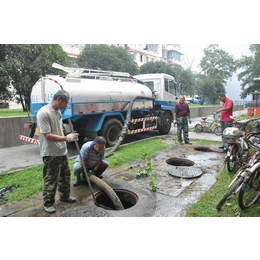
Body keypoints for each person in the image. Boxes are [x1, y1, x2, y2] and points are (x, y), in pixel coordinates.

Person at [37, 90, 79, 213]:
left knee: (65, 176)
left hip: (62, 150)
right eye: (65, 102)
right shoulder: (43, 113)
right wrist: (67, 138)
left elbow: (58, 129)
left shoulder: (58, 111)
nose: (66, 105)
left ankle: (64, 196)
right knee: (51, 179)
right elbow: (48, 135)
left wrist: (66, 133)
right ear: (59, 99)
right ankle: (48, 203)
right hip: (51, 153)